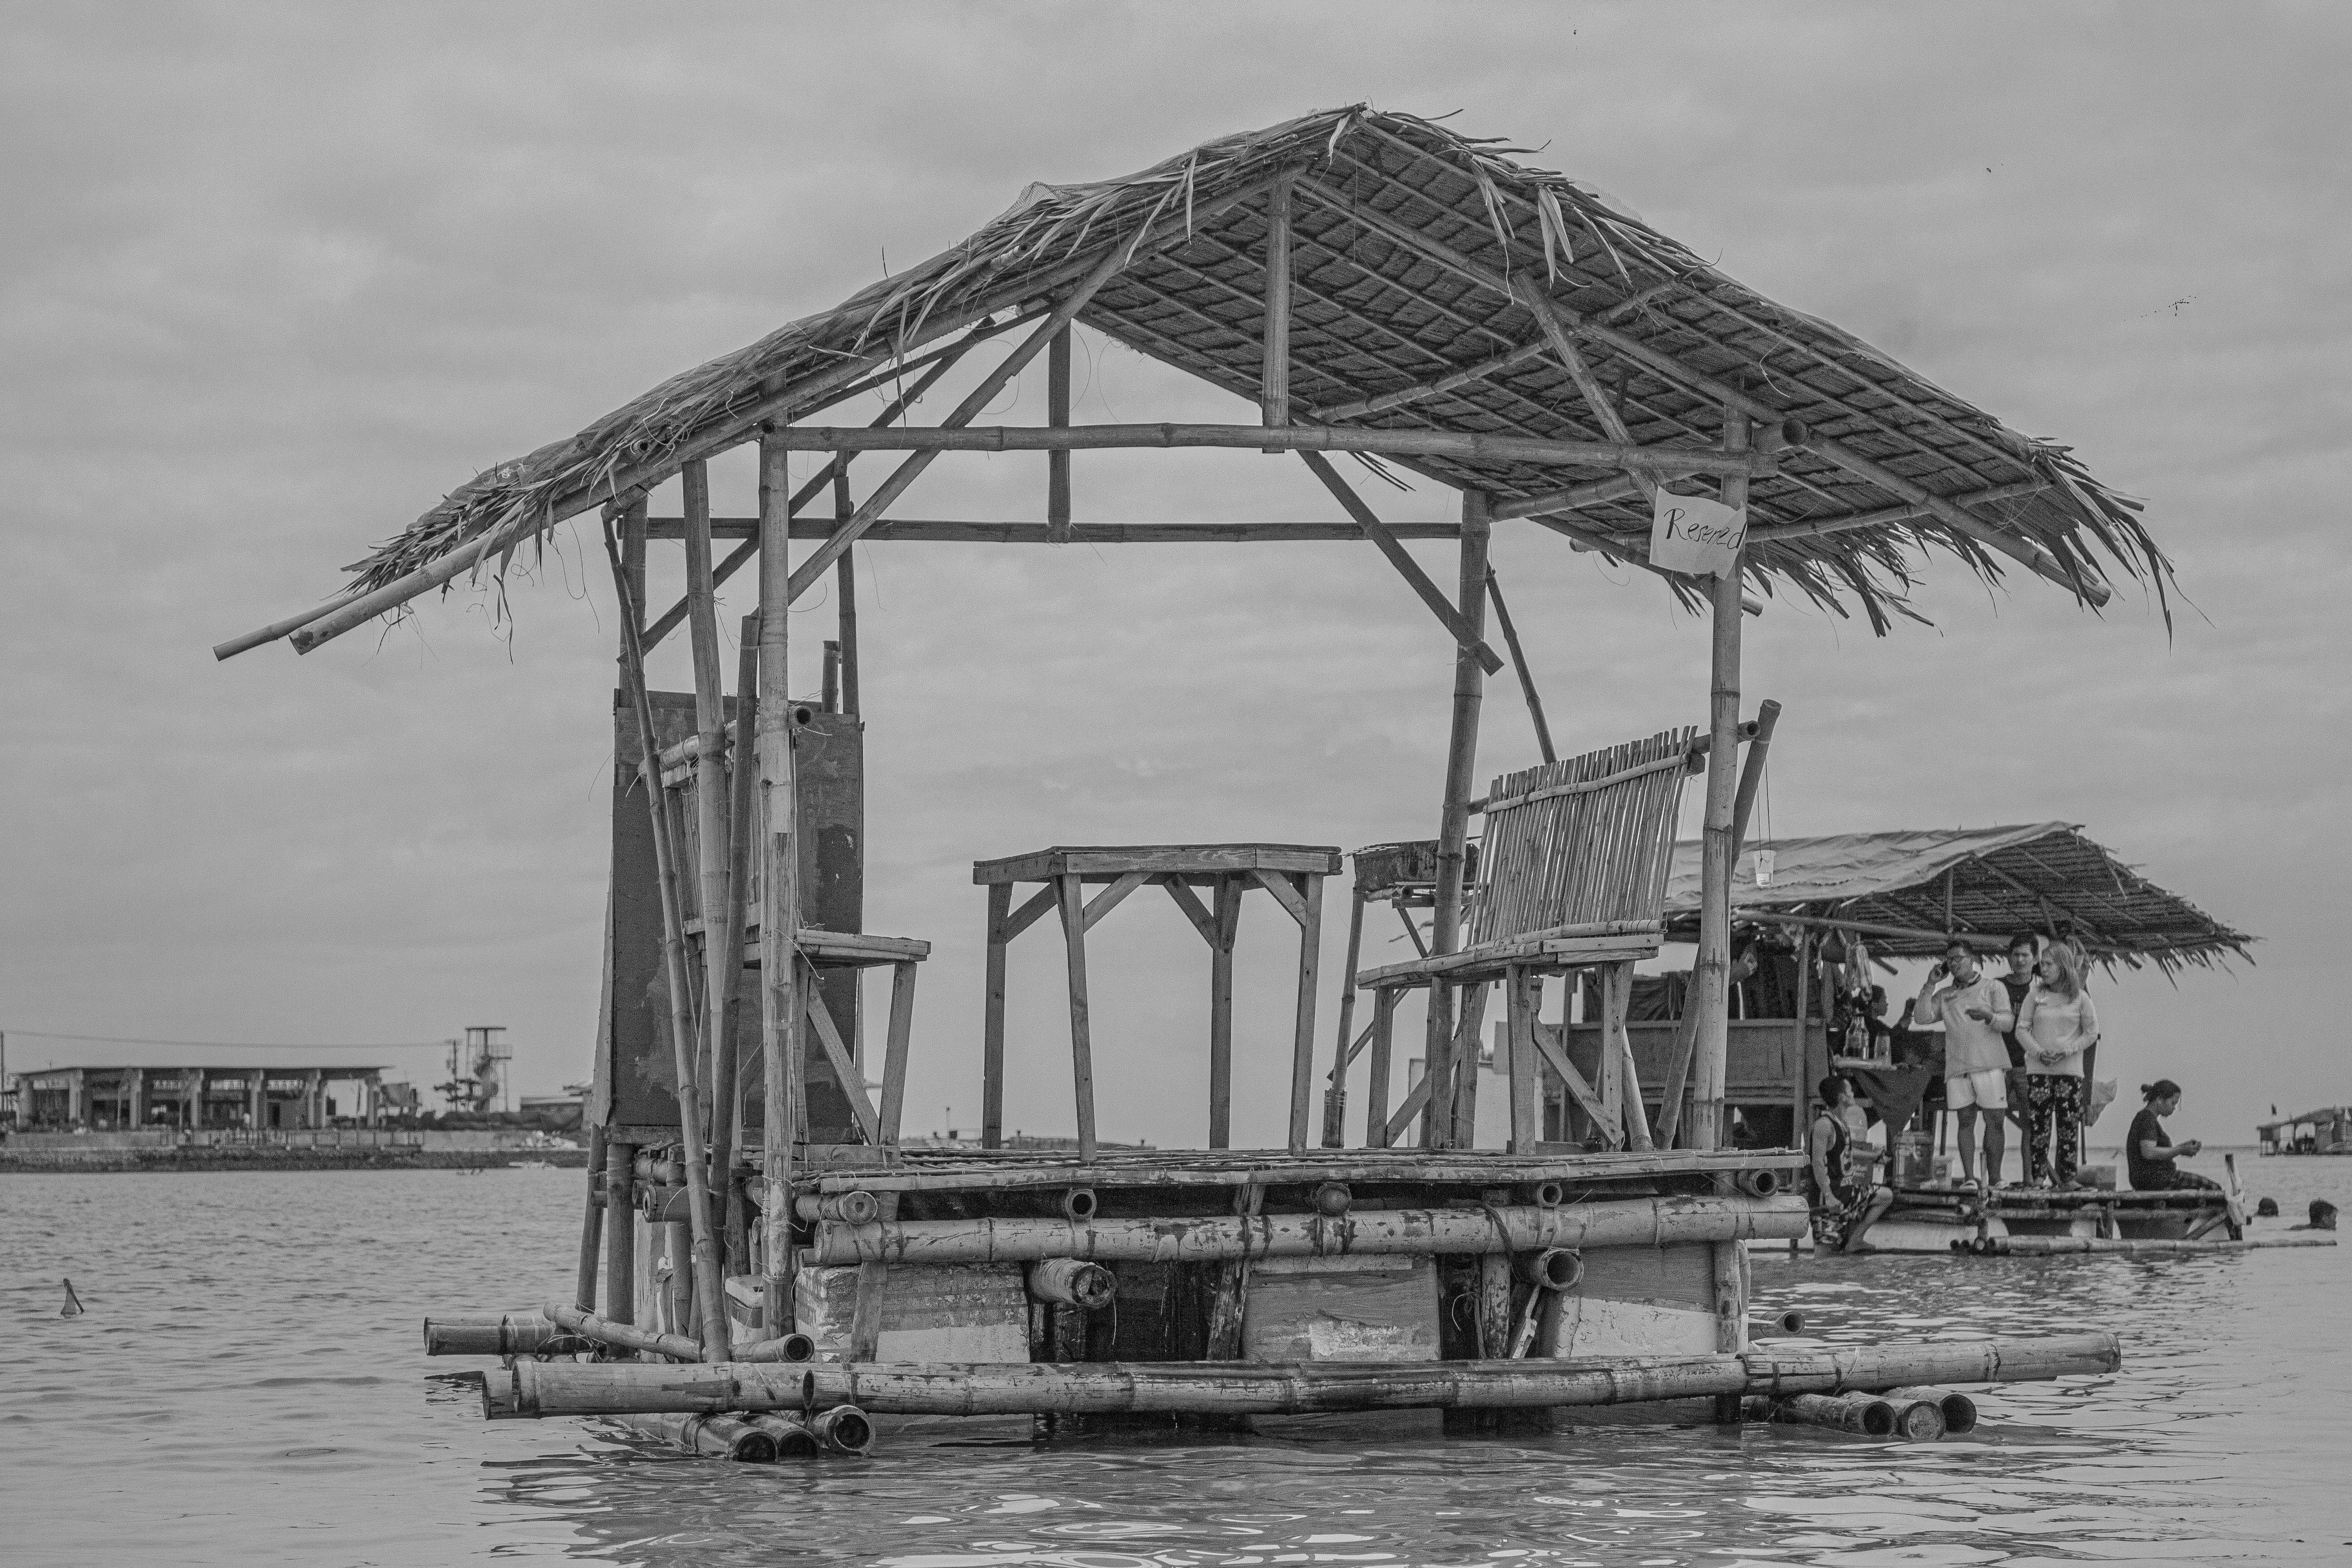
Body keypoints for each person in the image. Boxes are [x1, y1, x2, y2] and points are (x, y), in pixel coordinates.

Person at [1913, 937, 2016, 1189]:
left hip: (1990, 1065)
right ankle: (1970, 1178)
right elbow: (1922, 1017)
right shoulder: (1945, 994)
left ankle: (1996, 1179)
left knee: (1995, 1121)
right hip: (1958, 1068)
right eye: (1950, 959)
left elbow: (2008, 1023)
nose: (1955, 963)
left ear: (1973, 960)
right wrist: (1930, 984)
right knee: (1965, 1122)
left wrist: (1989, 1016)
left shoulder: (1992, 988)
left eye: (1960, 958)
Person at [2016, 939, 2099, 1186]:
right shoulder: (2035, 996)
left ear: (2063, 965)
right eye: (2043, 964)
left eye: (2050, 964)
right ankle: (2038, 1177)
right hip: (2039, 1069)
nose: (2044, 969)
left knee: (2068, 1125)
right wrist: (2038, 1052)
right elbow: (2022, 1029)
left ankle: (2068, 1178)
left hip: (2070, 1071)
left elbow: (2091, 1032)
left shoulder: (2080, 998)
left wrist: (2068, 1050)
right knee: (2039, 1125)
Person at [1808, 1074, 1894, 1252]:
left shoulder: (1842, 1123)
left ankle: (1855, 1240)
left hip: (1848, 1192)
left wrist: (1872, 1156)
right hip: (1829, 1198)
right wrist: (1829, 1196)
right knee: (1824, 1260)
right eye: (1850, 1091)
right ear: (1842, 1097)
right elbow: (1817, 1162)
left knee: (1885, 1196)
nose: (1853, 1094)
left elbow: (1845, 1151)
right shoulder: (1824, 1125)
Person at [2125, 1080, 2219, 1191]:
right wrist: (2180, 1150)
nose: (2174, 1108)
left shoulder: (2147, 1118)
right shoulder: (2147, 1119)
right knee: (2215, 1189)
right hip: (2157, 1180)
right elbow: (2149, 1152)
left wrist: (2183, 1148)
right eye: (2173, 1103)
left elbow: (2154, 1151)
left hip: (2156, 1179)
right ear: (2159, 1100)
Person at [1997, 932, 2039, 1133]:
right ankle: (1992, 1167)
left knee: (2030, 1128)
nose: (2020, 960)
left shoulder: (2043, 989)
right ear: (2009, 958)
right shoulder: (1996, 987)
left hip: (2029, 1066)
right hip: (1999, 1065)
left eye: (2025, 955)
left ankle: (2030, 1167)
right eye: (2015, 955)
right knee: (1994, 1124)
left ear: (2036, 958)